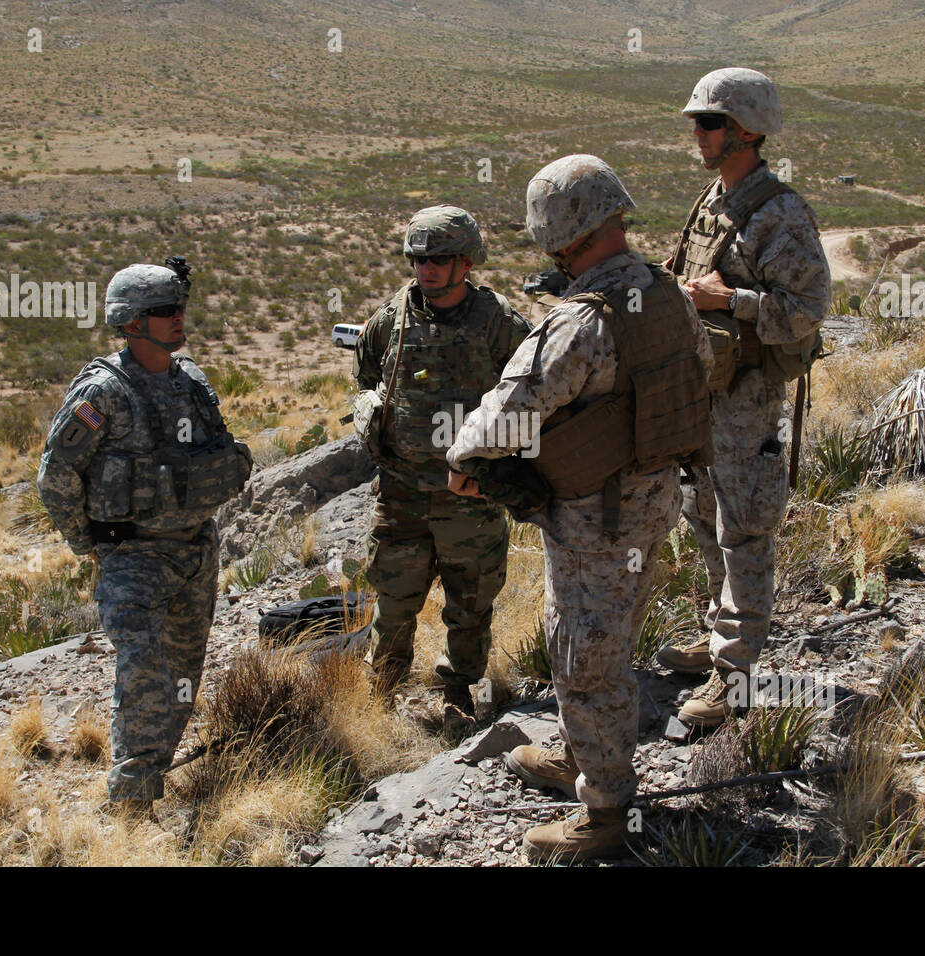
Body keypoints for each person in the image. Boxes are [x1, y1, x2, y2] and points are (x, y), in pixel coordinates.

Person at [448, 156, 713, 863]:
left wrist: (465, 465)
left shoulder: (580, 322)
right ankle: (579, 751)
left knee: (583, 654)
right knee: (612, 633)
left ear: (557, 233)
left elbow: (498, 423)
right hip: (654, 499)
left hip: (597, 517)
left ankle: (604, 810)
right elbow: (696, 376)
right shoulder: (667, 293)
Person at [37, 257, 251, 822]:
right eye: (164, 310)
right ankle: (130, 808)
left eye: (180, 306)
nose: (179, 318)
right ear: (131, 323)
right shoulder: (104, 393)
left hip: (194, 551)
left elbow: (214, 453)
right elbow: (56, 476)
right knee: (142, 673)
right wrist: (92, 545)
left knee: (184, 672)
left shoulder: (192, 381)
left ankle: (155, 771)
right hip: (132, 556)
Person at [655, 68, 831, 728]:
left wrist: (733, 301)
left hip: (746, 397)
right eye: (696, 122)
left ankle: (735, 675)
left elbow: (808, 312)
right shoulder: (712, 202)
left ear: (746, 131)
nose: (695, 133)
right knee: (701, 515)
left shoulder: (780, 214)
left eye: (708, 123)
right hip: (702, 393)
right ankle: (717, 634)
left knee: (744, 530)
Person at [351, 206, 531, 733]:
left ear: (467, 262)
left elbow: (530, 397)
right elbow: (365, 379)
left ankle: (458, 692)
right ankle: (378, 693)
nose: (426, 269)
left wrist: (504, 468)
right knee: (393, 599)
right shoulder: (390, 321)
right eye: (418, 259)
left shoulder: (500, 324)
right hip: (402, 490)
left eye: (439, 259)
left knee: (470, 603)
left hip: (470, 493)